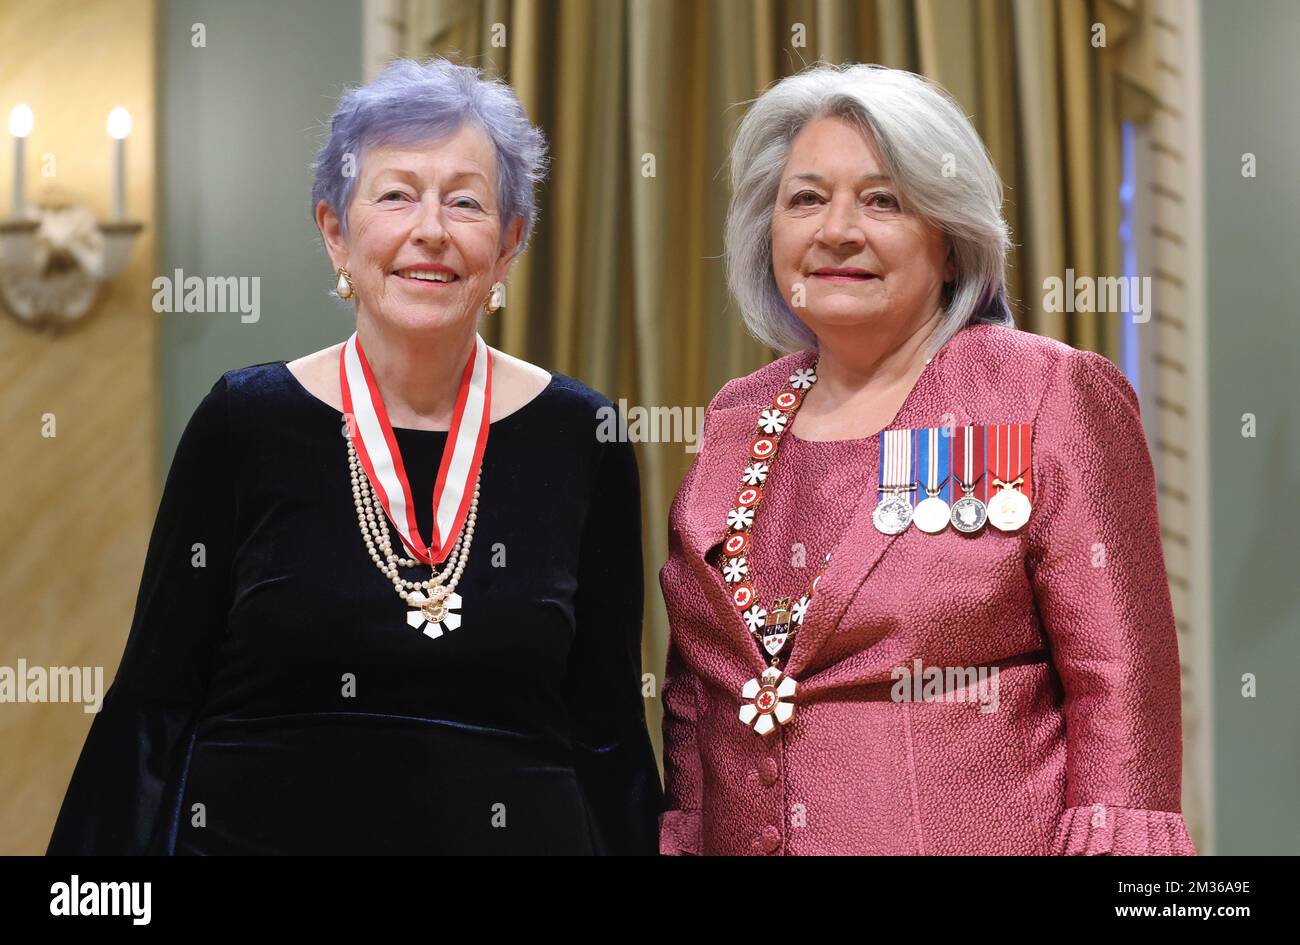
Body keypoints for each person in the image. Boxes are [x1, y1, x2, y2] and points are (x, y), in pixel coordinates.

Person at [48, 58, 661, 855]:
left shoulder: (585, 436)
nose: (430, 229)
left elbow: (607, 730)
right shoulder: (244, 422)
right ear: (335, 230)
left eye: (466, 201)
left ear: (510, 244)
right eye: (396, 194)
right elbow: (153, 706)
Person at [658, 63, 1196, 856]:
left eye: (882, 199)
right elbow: (695, 712)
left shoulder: (1047, 393)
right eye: (806, 198)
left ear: (951, 243)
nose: (836, 230)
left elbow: (1123, 699)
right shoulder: (737, 417)